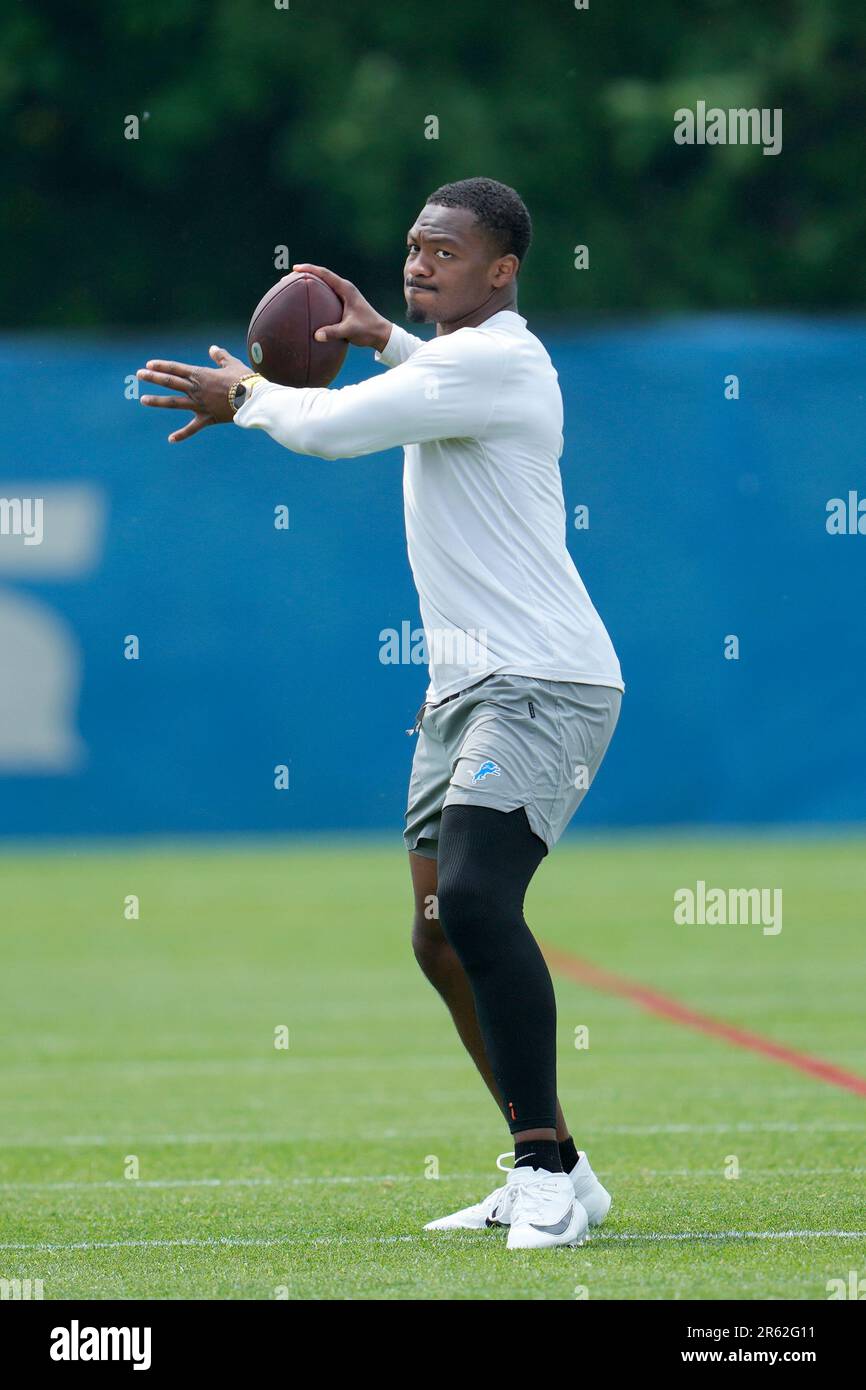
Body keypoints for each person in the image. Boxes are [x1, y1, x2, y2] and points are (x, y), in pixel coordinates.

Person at [137, 176, 624, 1250]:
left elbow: (333, 434)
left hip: (540, 681)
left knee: (478, 902)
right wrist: (390, 341)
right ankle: (562, 1167)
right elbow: (424, 387)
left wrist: (248, 398)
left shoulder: (499, 359)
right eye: (411, 244)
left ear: (502, 269)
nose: (417, 262)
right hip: (461, 688)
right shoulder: (458, 364)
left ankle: (540, 1164)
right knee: (438, 933)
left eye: (444, 251)